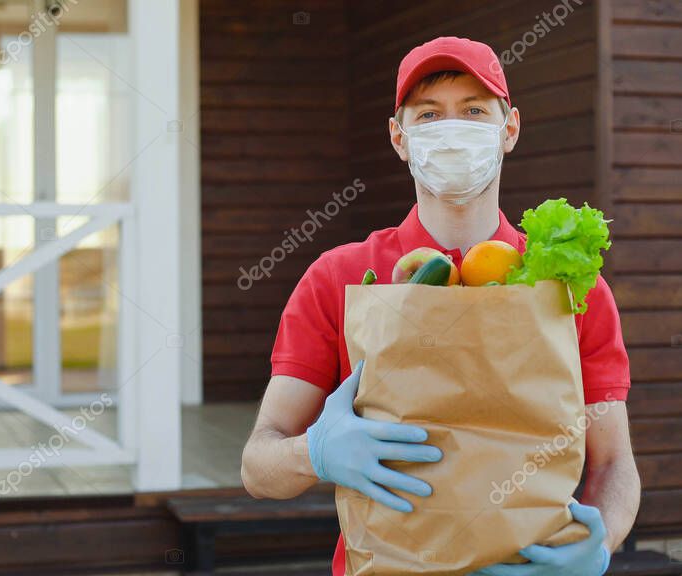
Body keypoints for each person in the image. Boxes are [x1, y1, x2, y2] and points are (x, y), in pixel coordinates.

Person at [240, 37, 640, 576]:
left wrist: (600, 543)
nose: (453, 129)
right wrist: (313, 453)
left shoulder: (568, 283)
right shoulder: (338, 277)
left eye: (474, 111)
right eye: (429, 114)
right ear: (399, 138)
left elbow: (614, 461)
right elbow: (257, 467)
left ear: (510, 129)